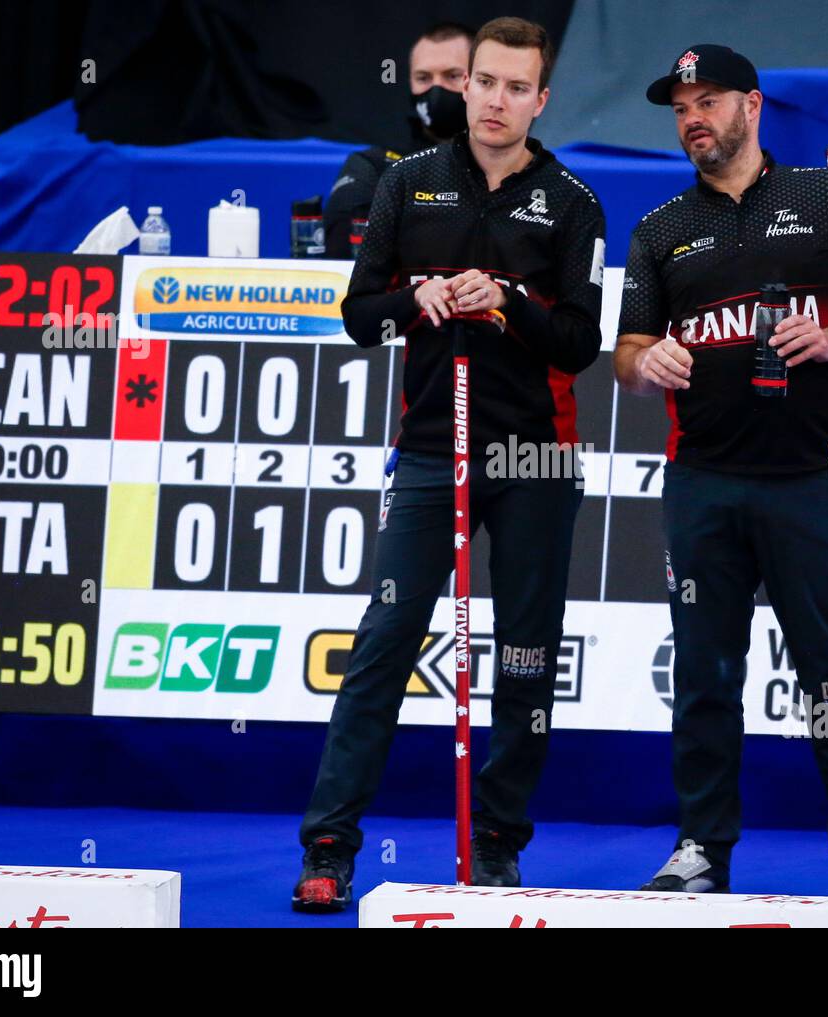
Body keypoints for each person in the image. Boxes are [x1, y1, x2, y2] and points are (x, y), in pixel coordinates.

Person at [293, 17, 606, 912]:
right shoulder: (407, 184)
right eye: (486, 82)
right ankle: (328, 843)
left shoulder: (573, 200)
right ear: (462, 86)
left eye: (518, 88)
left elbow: (581, 340)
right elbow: (361, 313)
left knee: (525, 657)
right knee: (385, 643)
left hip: (536, 456)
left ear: (541, 100)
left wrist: (507, 301)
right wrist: (417, 297)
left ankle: (500, 841)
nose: (498, 100)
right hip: (433, 449)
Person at [614, 44, 828, 898]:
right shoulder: (660, 228)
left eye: (706, 101)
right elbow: (626, 354)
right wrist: (648, 364)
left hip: (811, 479)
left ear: (752, 105)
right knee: (706, 670)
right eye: (679, 108)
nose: (691, 120)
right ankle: (701, 847)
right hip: (703, 483)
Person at [322, 21, 475, 259]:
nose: (436, 90)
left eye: (452, 76)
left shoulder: (511, 167)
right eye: (423, 78)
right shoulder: (374, 166)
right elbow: (343, 254)